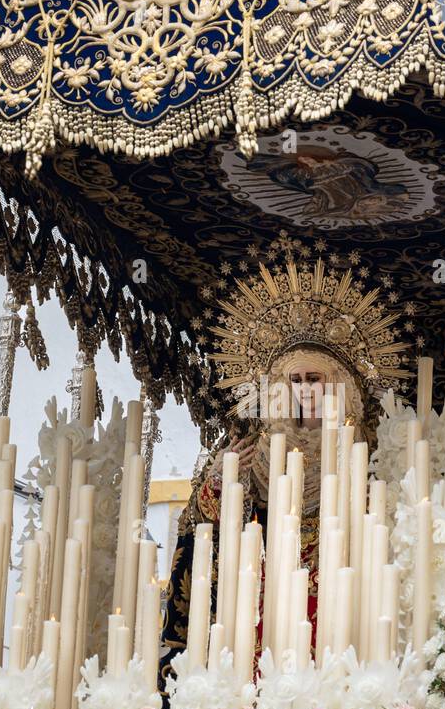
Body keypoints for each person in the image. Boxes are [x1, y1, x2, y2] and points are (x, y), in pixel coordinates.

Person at [160, 244, 409, 684]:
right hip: (258, 598)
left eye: (315, 379)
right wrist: (222, 480)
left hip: (339, 597)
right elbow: (202, 531)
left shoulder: (367, 453)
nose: (304, 390)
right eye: (295, 380)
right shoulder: (251, 446)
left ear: (338, 385)